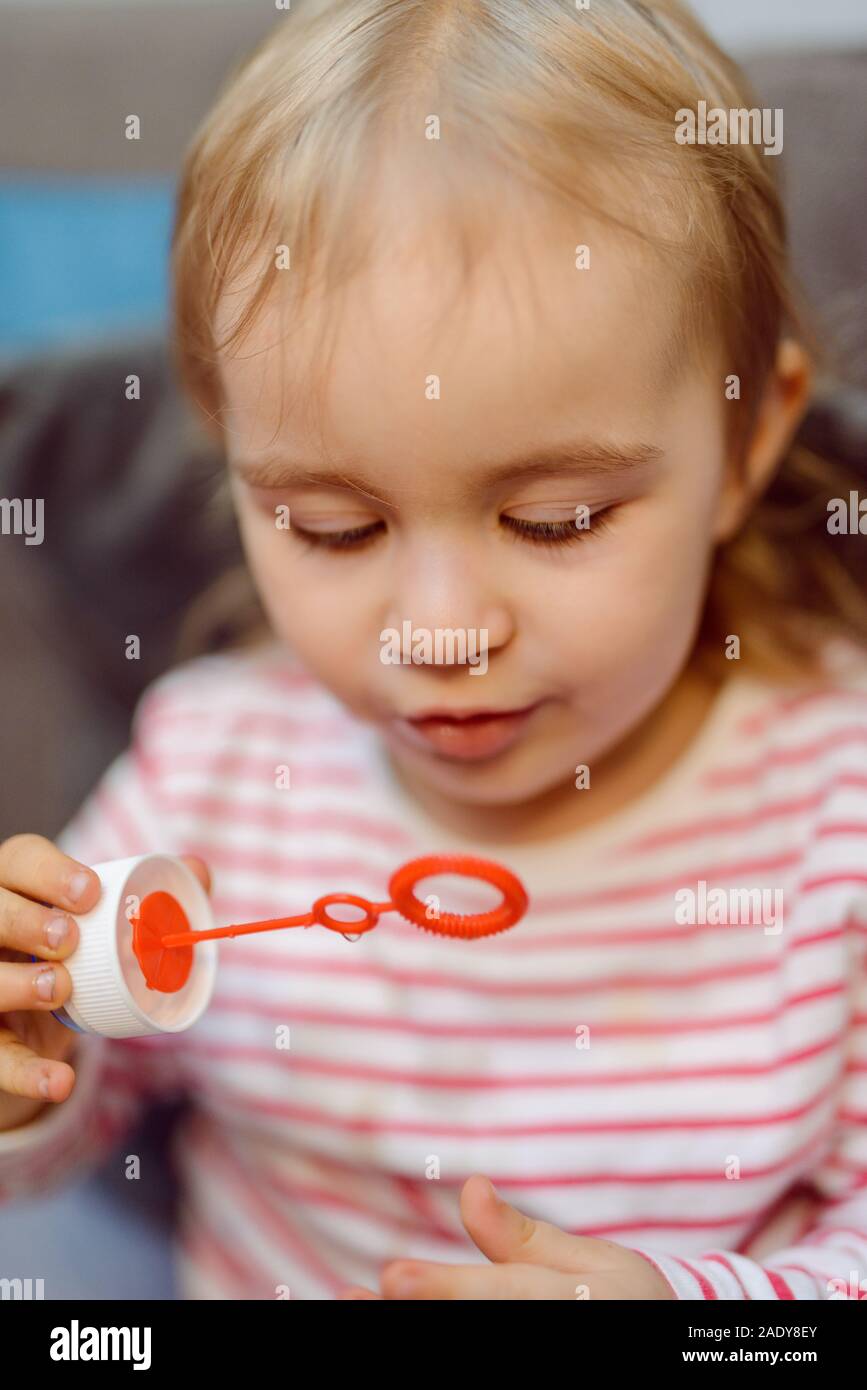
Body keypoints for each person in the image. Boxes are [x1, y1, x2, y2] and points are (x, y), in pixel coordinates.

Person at [1, 0, 866, 1300]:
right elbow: (65, 1132)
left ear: (748, 442)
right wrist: (23, 1060)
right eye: (335, 529)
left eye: (555, 518)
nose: (442, 630)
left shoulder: (833, 821)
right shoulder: (216, 769)